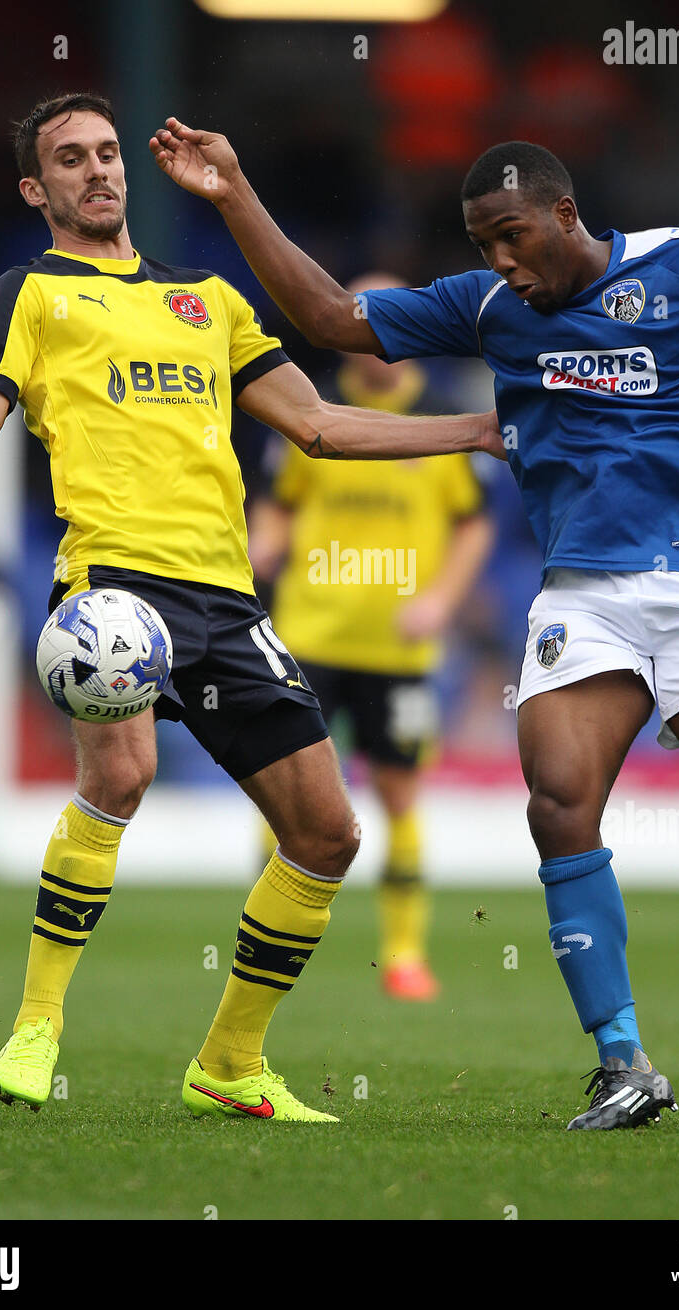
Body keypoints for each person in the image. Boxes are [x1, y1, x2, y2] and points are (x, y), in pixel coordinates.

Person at [150, 119, 679, 1129]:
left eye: (512, 235)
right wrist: (232, 191)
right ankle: (623, 1061)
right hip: (580, 596)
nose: (501, 262)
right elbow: (332, 318)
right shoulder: (488, 307)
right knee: (558, 803)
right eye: (481, 246)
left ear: (565, 213)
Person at [0, 92, 502, 1123]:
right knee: (120, 776)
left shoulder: (208, 297)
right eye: (71, 160)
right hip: (114, 588)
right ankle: (37, 1025)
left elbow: (316, 421)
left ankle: (228, 1060)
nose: (98, 170)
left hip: (225, 597)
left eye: (107, 152)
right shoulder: (30, 290)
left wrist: (476, 429)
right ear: (38, 190)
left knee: (326, 833)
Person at [248, 280, 493, 999]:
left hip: (397, 648)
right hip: (309, 633)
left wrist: (442, 601)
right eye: (358, 318)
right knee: (285, 794)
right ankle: (274, 941)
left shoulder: (440, 416)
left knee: (398, 793)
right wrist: (265, 541)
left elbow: (474, 523)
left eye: (384, 320)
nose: (372, 333)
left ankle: (406, 955)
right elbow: (281, 505)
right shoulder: (310, 407)